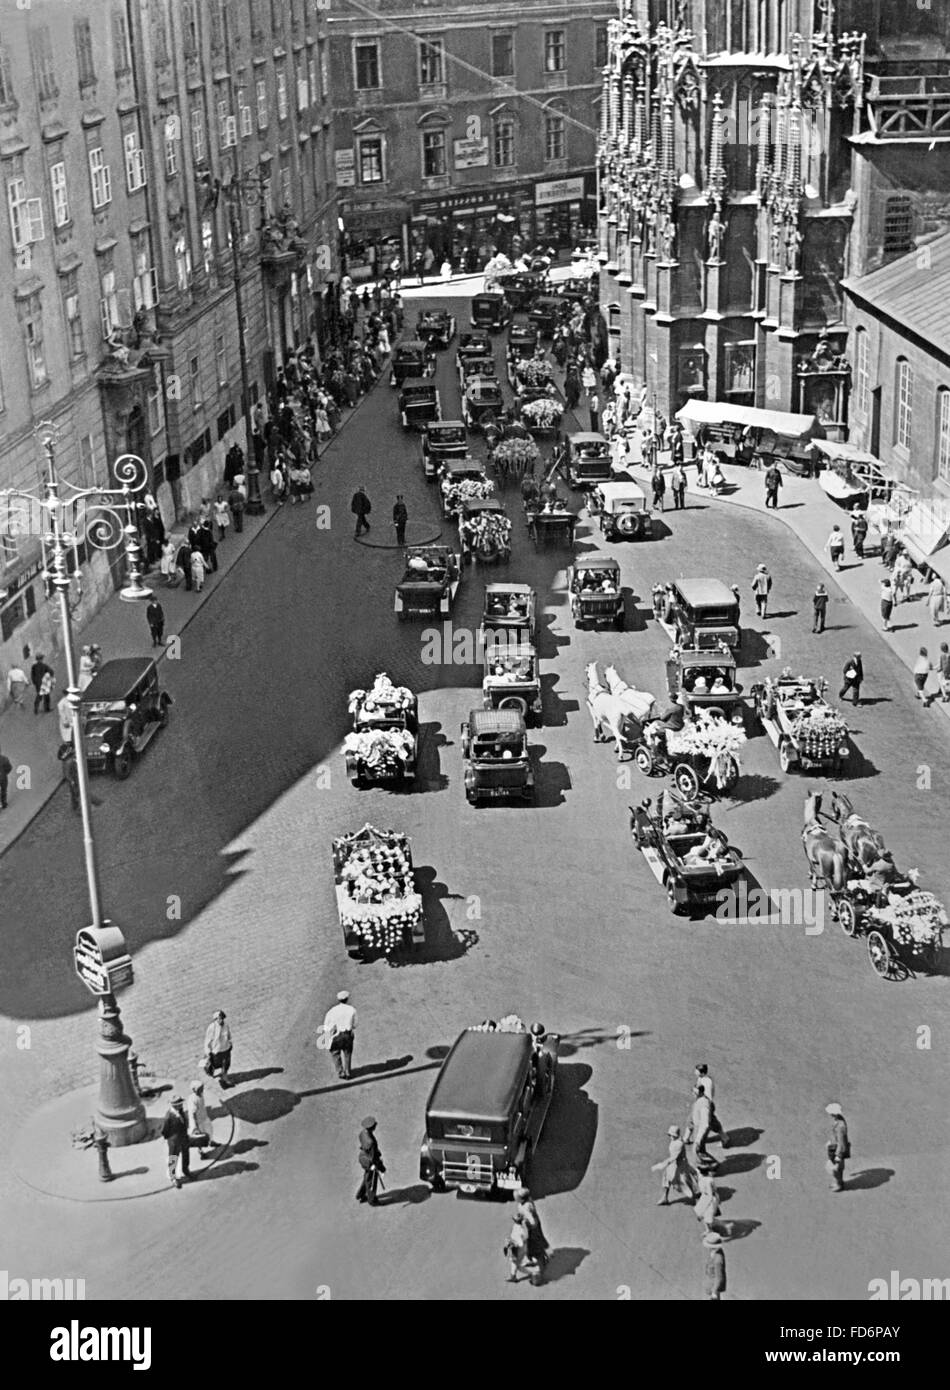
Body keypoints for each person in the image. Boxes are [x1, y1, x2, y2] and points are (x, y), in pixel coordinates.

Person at [652, 1124, 698, 1205]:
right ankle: (664, 1197)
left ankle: (697, 1198)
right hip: (673, 1165)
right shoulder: (675, 1141)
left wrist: (662, 1164)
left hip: (680, 1167)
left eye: (671, 1134)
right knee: (666, 1178)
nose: (670, 1136)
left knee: (685, 1182)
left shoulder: (678, 1144)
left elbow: (673, 1157)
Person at [514, 1187, 549, 1283]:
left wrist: (525, 1223)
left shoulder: (525, 1208)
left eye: (516, 1196)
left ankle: (539, 1269)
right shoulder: (528, 1200)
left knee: (534, 1248)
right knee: (535, 1246)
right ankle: (540, 1258)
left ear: (521, 1198)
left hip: (532, 1230)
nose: (514, 1197)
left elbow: (532, 1222)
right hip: (535, 1227)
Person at [321, 989, 357, 1080]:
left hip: (335, 1035)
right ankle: (348, 1072)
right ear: (347, 999)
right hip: (347, 1034)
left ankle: (340, 1072)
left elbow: (326, 1026)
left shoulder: (332, 1011)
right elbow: (355, 1024)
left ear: (339, 1000)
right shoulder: (352, 1009)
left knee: (335, 1053)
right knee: (347, 1053)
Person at [161, 1097, 191, 1188]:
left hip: (184, 1137)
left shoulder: (181, 1111)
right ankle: (172, 1176)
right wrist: (169, 1139)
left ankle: (186, 1170)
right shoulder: (169, 1116)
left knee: (186, 1154)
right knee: (173, 1157)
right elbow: (165, 1130)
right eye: (179, 1104)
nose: (181, 1105)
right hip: (174, 1140)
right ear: (175, 1106)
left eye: (181, 1103)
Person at [356, 1116, 385, 1206]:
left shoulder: (362, 1133)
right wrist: (381, 1167)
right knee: (371, 1181)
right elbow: (374, 1158)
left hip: (363, 1157)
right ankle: (372, 1200)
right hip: (370, 1162)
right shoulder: (371, 1142)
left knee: (367, 1177)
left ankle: (360, 1194)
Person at [203, 1009, 233, 1088]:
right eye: (219, 1018)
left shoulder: (226, 1025)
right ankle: (212, 1074)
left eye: (222, 1018)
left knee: (226, 1064)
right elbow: (207, 1040)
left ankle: (225, 1078)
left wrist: (230, 1043)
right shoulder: (212, 1027)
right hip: (216, 1051)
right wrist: (207, 1052)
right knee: (213, 1065)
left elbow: (229, 1035)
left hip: (225, 1049)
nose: (221, 1020)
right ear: (215, 1019)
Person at [825, 1102, 850, 1192]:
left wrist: (838, 1155)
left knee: (833, 1168)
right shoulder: (838, 1120)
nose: (830, 1114)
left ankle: (839, 1184)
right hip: (836, 1147)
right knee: (838, 1168)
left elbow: (841, 1141)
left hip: (838, 1150)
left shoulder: (840, 1125)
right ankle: (838, 1182)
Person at [187, 1081, 213, 1156]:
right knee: (199, 1137)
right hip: (197, 1121)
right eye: (201, 1088)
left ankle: (210, 1141)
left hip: (203, 1118)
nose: (202, 1089)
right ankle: (200, 1150)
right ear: (195, 1089)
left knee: (209, 1129)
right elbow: (193, 1113)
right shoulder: (193, 1099)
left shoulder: (200, 1095)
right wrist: (196, 1126)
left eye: (202, 1088)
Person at [505, 1211, 530, 1282]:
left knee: (516, 1263)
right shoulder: (517, 1226)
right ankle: (513, 1276)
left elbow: (522, 1241)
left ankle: (532, 1273)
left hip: (519, 1249)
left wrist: (513, 1243)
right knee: (515, 1262)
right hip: (517, 1248)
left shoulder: (522, 1229)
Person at [703, 1231, 726, 1300]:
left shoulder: (718, 1258)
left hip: (714, 1287)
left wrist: (714, 1292)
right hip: (712, 1285)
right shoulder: (714, 1252)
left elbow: (719, 1277)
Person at [0, 746, 11, 811]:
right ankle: (4, 803)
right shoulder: (4, 759)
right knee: (3, 790)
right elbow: (9, 768)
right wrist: (5, 773)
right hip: (3, 777)